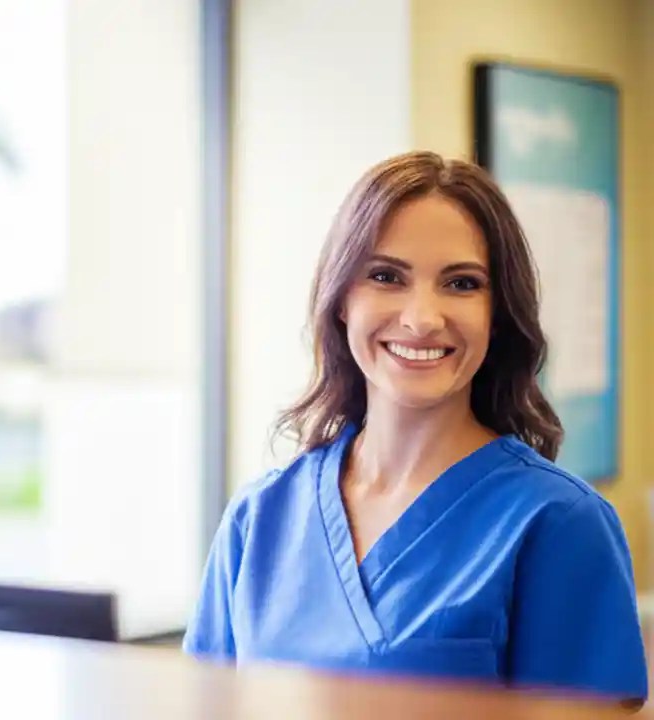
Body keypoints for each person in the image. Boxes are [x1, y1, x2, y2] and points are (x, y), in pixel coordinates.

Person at [183, 151, 647, 706]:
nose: (422, 318)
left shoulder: (558, 523)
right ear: (341, 301)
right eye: (386, 276)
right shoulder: (261, 518)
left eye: (461, 283)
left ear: (498, 314)